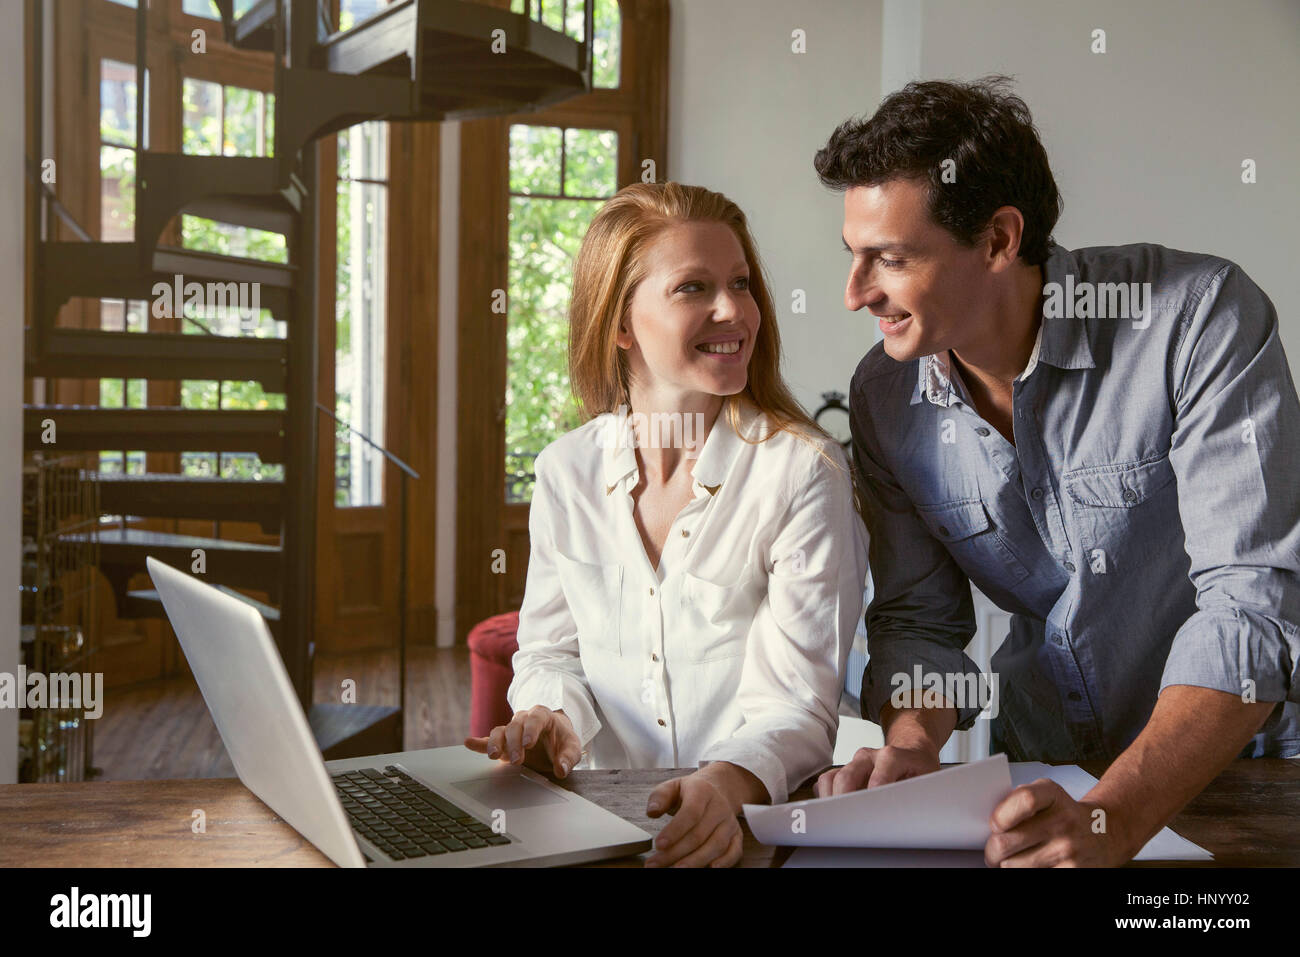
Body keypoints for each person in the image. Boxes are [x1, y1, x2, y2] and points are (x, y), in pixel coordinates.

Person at [812, 76, 1300, 866]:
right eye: (853, 256)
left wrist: (1113, 816)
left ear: (1000, 240)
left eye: (890, 259)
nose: (855, 292)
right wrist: (911, 745)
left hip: (1247, 774)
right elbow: (922, 623)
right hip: (1044, 769)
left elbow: (1252, 602)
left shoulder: (1198, 318)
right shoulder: (885, 393)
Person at [464, 182, 869, 868]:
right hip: (596, 832)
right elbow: (550, 652)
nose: (735, 310)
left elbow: (798, 706)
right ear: (620, 324)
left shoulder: (803, 472)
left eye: (741, 284)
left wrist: (722, 782)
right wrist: (549, 717)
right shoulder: (567, 472)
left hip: (747, 836)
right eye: (694, 288)